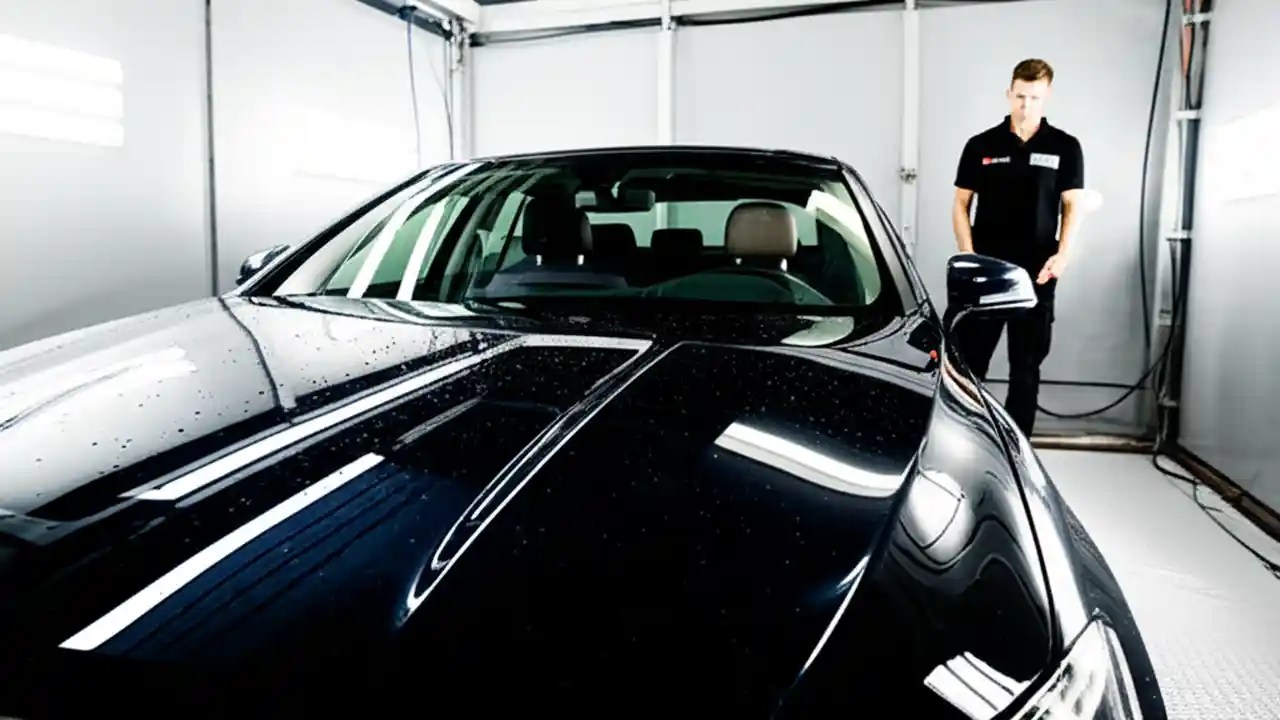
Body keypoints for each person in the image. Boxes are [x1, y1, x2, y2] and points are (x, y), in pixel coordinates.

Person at [952, 58, 1086, 437]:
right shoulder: (981, 145)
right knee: (971, 361)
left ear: (1047, 97)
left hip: (1038, 271)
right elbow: (961, 205)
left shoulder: (1065, 147)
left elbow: (1072, 205)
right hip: (988, 270)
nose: (1026, 106)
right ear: (1009, 93)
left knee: (1025, 367)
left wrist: (1063, 255)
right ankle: (967, 436)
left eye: (1035, 98)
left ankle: (1016, 443)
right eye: (1020, 97)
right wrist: (968, 254)